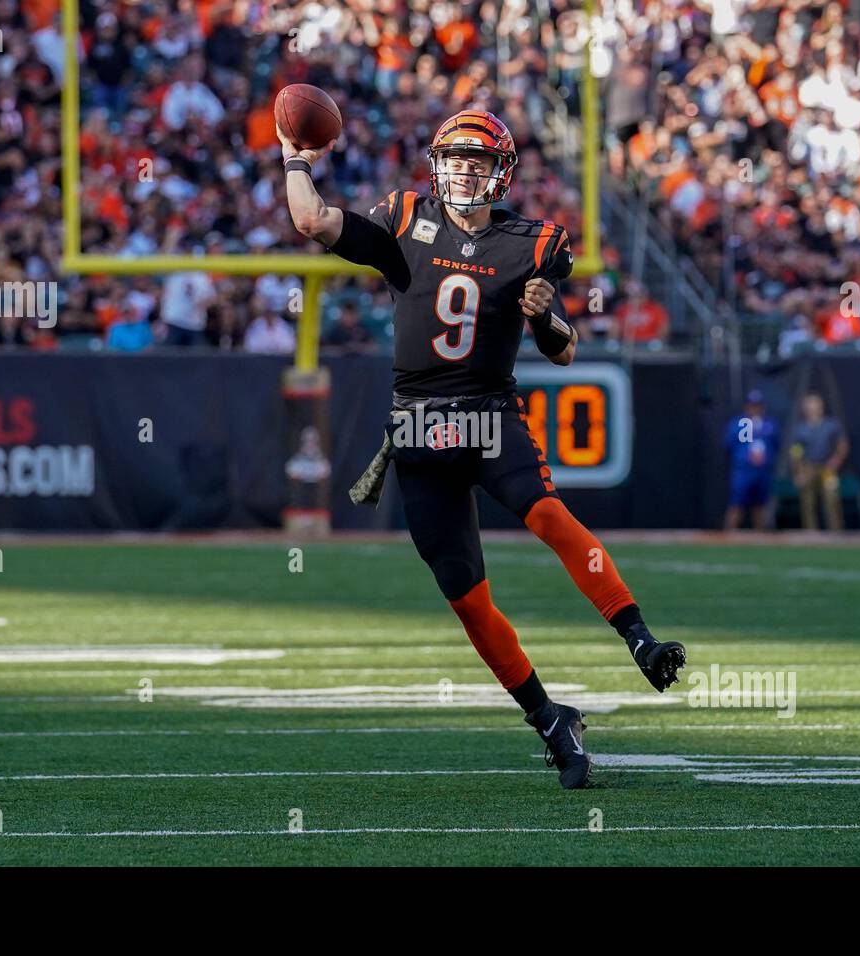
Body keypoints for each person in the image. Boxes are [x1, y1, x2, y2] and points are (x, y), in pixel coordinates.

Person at [279, 109, 685, 789]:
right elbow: (312, 221)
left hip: (489, 416)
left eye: (477, 159)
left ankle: (638, 635)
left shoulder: (534, 242)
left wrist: (545, 317)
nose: (463, 169)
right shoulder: (405, 217)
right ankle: (551, 719)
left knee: (548, 515)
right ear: (436, 164)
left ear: (501, 172)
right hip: (417, 428)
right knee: (466, 599)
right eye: (454, 158)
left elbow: (563, 352)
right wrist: (295, 156)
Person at [789, 392, 849, 531]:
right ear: (805, 409)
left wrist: (836, 461)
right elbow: (796, 452)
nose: (813, 409)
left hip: (827, 468)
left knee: (831, 500)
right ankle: (811, 536)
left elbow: (842, 445)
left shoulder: (831, 425)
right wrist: (799, 472)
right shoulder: (800, 429)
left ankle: (836, 534)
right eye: (810, 406)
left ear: (821, 407)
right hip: (808, 467)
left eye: (816, 405)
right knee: (807, 503)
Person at [723, 389, 779, 531]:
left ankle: (760, 543)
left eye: (758, 405)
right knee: (737, 505)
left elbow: (776, 444)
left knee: (760, 507)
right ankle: (728, 539)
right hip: (744, 470)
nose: (755, 408)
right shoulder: (739, 423)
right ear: (747, 406)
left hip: (763, 471)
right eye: (752, 405)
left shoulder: (770, 424)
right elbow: (729, 444)